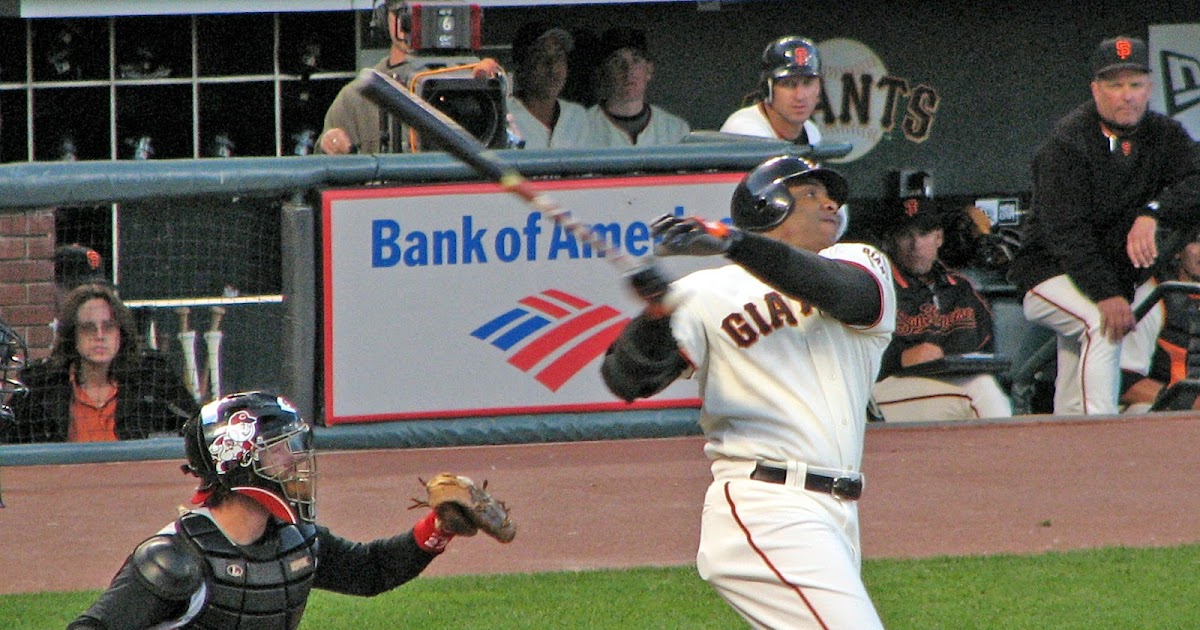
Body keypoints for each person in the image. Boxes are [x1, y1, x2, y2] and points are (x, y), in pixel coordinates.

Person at [601, 155, 894, 628]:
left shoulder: (858, 262)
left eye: (830, 195)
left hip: (837, 513)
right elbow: (627, 378)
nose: (831, 203)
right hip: (764, 505)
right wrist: (656, 318)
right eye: (811, 194)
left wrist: (732, 242)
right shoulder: (705, 293)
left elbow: (844, 294)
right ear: (769, 205)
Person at [69, 391, 510, 628]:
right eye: (279, 451)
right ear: (238, 460)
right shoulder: (172, 560)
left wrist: (437, 529)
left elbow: (368, 571)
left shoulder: (295, 539)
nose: (295, 462)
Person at [1007, 35, 1200, 415]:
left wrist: (1153, 212)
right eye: (1114, 84)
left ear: (1148, 88)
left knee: (1074, 357)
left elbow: (1196, 179)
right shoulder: (1067, 143)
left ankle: (1070, 446)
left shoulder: (1163, 135)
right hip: (1050, 273)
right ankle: (1103, 434)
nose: (1126, 95)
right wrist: (1106, 293)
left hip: (1108, 274)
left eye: (1135, 84)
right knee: (1100, 322)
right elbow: (1067, 234)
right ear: (1096, 90)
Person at [872, 180, 1013, 421]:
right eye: (906, 235)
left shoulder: (960, 288)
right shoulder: (877, 286)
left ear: (938, 237)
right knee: (979, 392)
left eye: (924, 234)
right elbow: (848, 353)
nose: (916, 245)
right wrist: (898, 358)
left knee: (983, 384)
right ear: (892, 241)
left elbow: (986, 347)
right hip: (886, 388)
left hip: (949, 386)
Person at [3, 283, 198, 443]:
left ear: (121, 332)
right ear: (73, 335)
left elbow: (195, 429)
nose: (99, 336)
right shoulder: (40, 387)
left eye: (108, 327)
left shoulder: (153, 382)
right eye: (88, 328)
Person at [318, 0, 500, 155]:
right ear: (384, 17)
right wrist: (330, 147)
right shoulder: (360, 95)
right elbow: (322, 174)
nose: (419, 20)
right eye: (407, 11)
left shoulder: (484, 82)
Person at [1120, 228, 1200, 412]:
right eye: (1196, 240)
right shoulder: (1154, 294)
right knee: (1140, 410)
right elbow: (1125, 381)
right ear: (1178, 250)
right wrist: (1187, 404)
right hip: (1167, 412)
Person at [584, 27, 690, 147]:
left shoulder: (674, 128)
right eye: (617, 61)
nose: (628, 70)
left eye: (636, 60)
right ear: (603, 72)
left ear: (649, 70)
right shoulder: (582, 127)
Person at [720, 35, 823, 146]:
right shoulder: (744, 129)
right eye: (788, 84)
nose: (800, 96)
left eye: (807, 83)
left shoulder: (812, 132)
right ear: (767, 90)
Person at [506, 22, 593, 149]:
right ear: (521, 67)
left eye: (559, 57)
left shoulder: (577, 115)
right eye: (541, 57)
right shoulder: (505, 114)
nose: (553, 68)